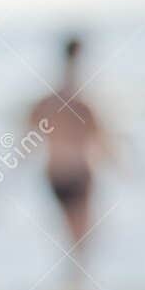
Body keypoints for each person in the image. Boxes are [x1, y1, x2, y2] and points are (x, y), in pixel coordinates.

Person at [27, 34, 114, 276]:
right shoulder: (82, 103)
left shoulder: (45, 103)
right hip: (78, 173)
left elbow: (25, 144)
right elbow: (104, 143)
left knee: (70, 236)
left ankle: (73, 286)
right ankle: (77, 285)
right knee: (82, 236)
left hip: (55, 172)